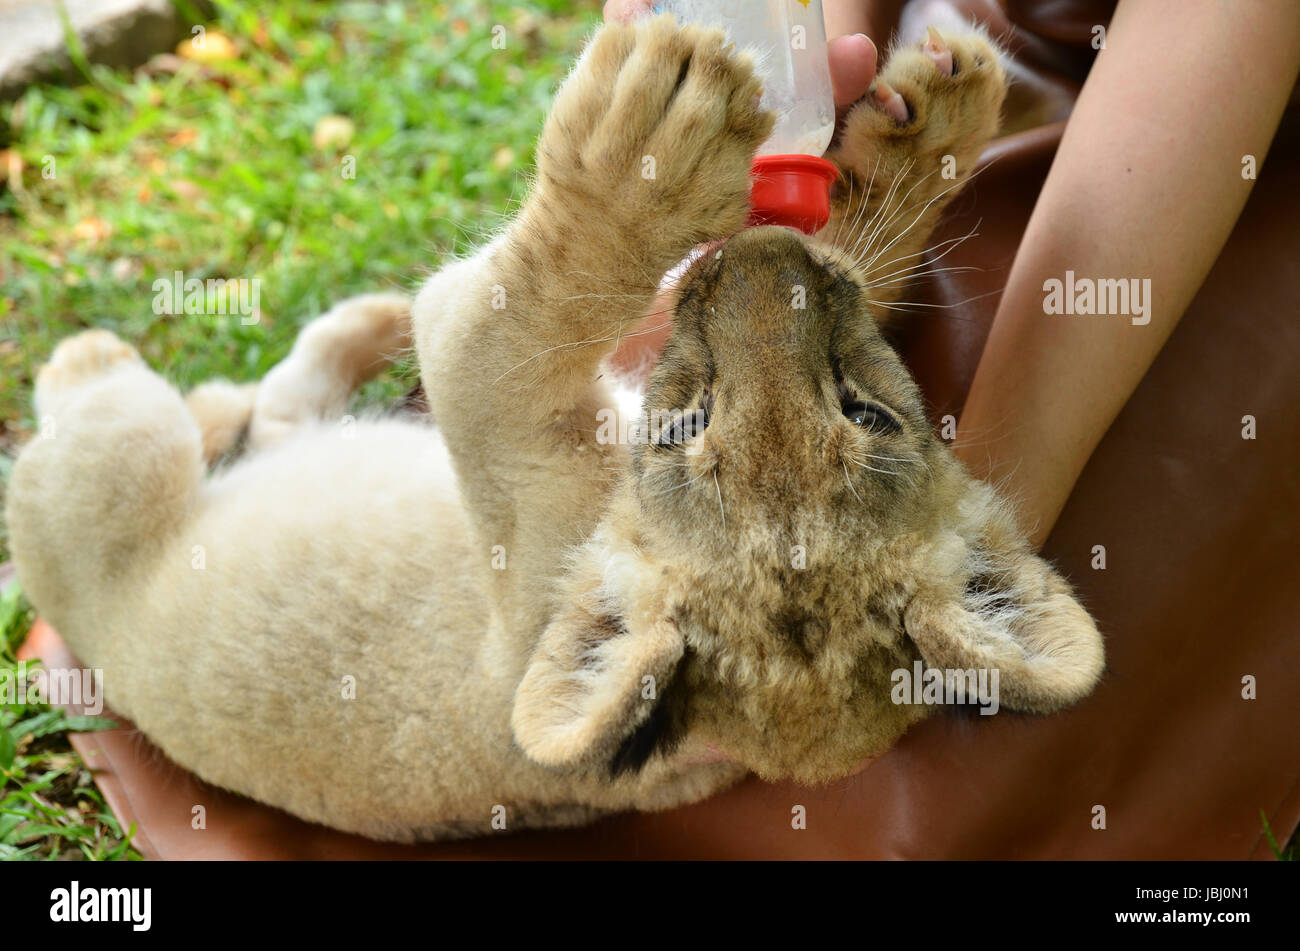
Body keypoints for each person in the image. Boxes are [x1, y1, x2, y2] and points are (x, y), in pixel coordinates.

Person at [603, 0, 1300, 549]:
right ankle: (838, 254)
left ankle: (981, 524)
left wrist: (991, 515)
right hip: (930, 57)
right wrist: (795, 75)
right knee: (600, 464)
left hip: (1207, 113)